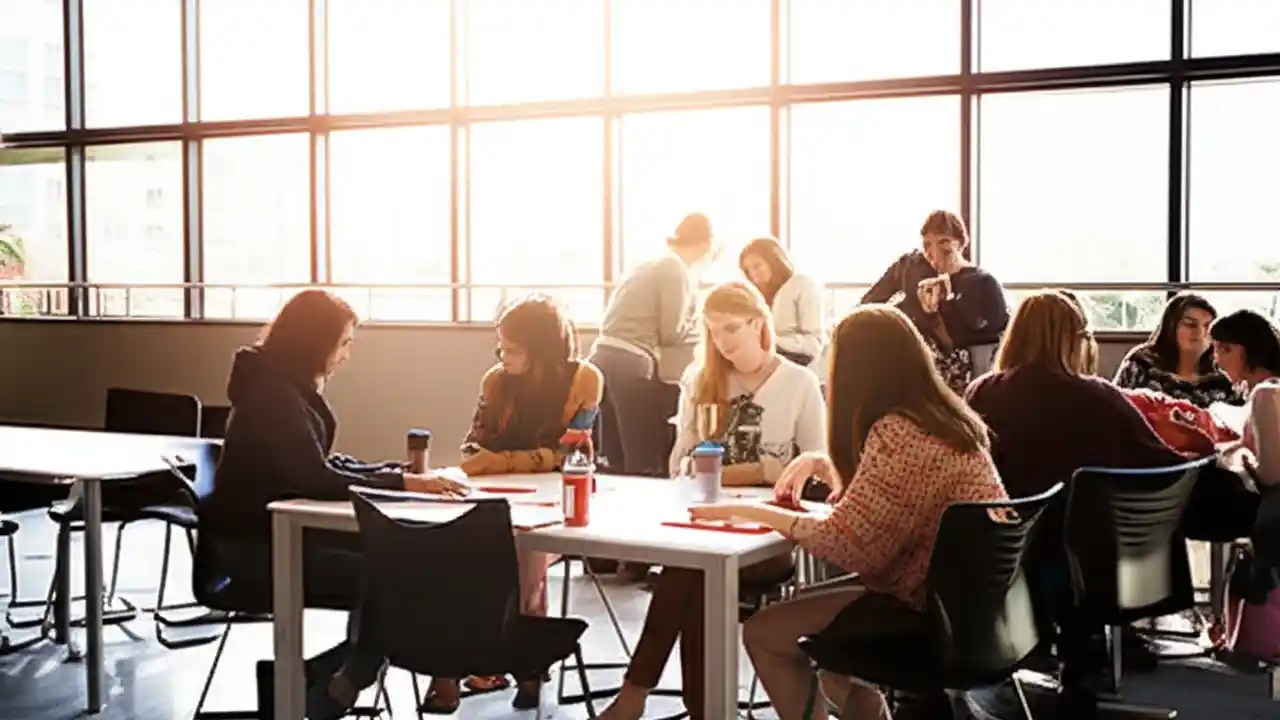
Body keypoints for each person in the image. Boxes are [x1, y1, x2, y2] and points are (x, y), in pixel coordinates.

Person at [668, 305, 1007, 720]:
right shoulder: (948, 421)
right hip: (986, 612)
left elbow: (850, 545)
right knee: (834, 656)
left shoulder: (897, 432)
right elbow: (894, 507)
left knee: (765, 633)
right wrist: (823, 463)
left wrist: (758, 513)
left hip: (929, 615)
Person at [963, 290, 1256, 716]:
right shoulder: (1100, 397)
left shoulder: (982, 394)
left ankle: (1075, 651)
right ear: (1074, 339)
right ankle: (1089, 652)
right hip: (1103, 561)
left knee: (1055, 535)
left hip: (1010, 557)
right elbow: (1165, 466)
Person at [198, 289, 469, 720]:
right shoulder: (274, 395)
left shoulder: (281, 385)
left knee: (401, 567)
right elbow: (315, 477)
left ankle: (316, 685)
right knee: (397, 578)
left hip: (279, 536)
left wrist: (396, 476)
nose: (345, 356)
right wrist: (404, 482)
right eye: (342, 343)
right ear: (314, 342)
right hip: (259, 551)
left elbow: (321, 464)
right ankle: (327, 688)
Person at [596, 281, 825, 720]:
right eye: (714, 331)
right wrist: (709, 467)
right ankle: (699, 710)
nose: (722, 342)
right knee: (696, 568)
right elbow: (679, 462)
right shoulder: (700, 378)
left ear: (759, 323)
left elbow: (818, 469)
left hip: (766, 534)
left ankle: (638, 693)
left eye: (732, 329)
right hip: (703, 523)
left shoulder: (799, 383)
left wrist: (756, 473)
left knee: (688, 572)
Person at [425, 295, 602, 713]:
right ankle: (448, 667)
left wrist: (502, 462)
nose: (503, 356)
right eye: (500, 346)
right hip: (498, 498)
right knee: (451, 548)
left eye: (513, 348)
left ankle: (527, 667)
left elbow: (571, 453)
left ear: (542, 349)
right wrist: (500, 463)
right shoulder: (495, 381)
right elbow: (473, 446)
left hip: (560, 502)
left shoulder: (585, 380)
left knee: (526, 556)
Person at [589, 212, 713, 477]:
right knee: (641, 457)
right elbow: (671, 332)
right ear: (705, 245)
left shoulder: (646, 263)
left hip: (601, 356)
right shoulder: (675, 268)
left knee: (613, 456)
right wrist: (700, 327)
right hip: (631, 361)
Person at [862, 210, 1009, 393]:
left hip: (960, 376)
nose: (935, 253)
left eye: (944, 243)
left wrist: (944, 305)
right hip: (915, 368)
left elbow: (992, 337)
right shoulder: (915, 272)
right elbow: (871, 302)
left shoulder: (982, 282)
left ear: (961, 243)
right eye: (927, 245)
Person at [1114, 292, 1241, 407]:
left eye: (1207, 327)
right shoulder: (1142, 363)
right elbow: (1114, 407)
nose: (1200, 332)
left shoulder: (1222, 373)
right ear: (1171, 327)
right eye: (1190, 325)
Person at [1211, 310, 1280, 488]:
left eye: (1222, 349)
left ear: (1246, 351)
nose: (1216, 360)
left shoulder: (1266, 394)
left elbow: (1269, 477)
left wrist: (1229, 458)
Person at [738, 236, 825, 368]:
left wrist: (772, 342)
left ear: (775, 261)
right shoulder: (754, 295)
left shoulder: (801, 284)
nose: (753, 274)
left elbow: (813, 344)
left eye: (757, 266)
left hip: (798, 365)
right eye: (748, 269)